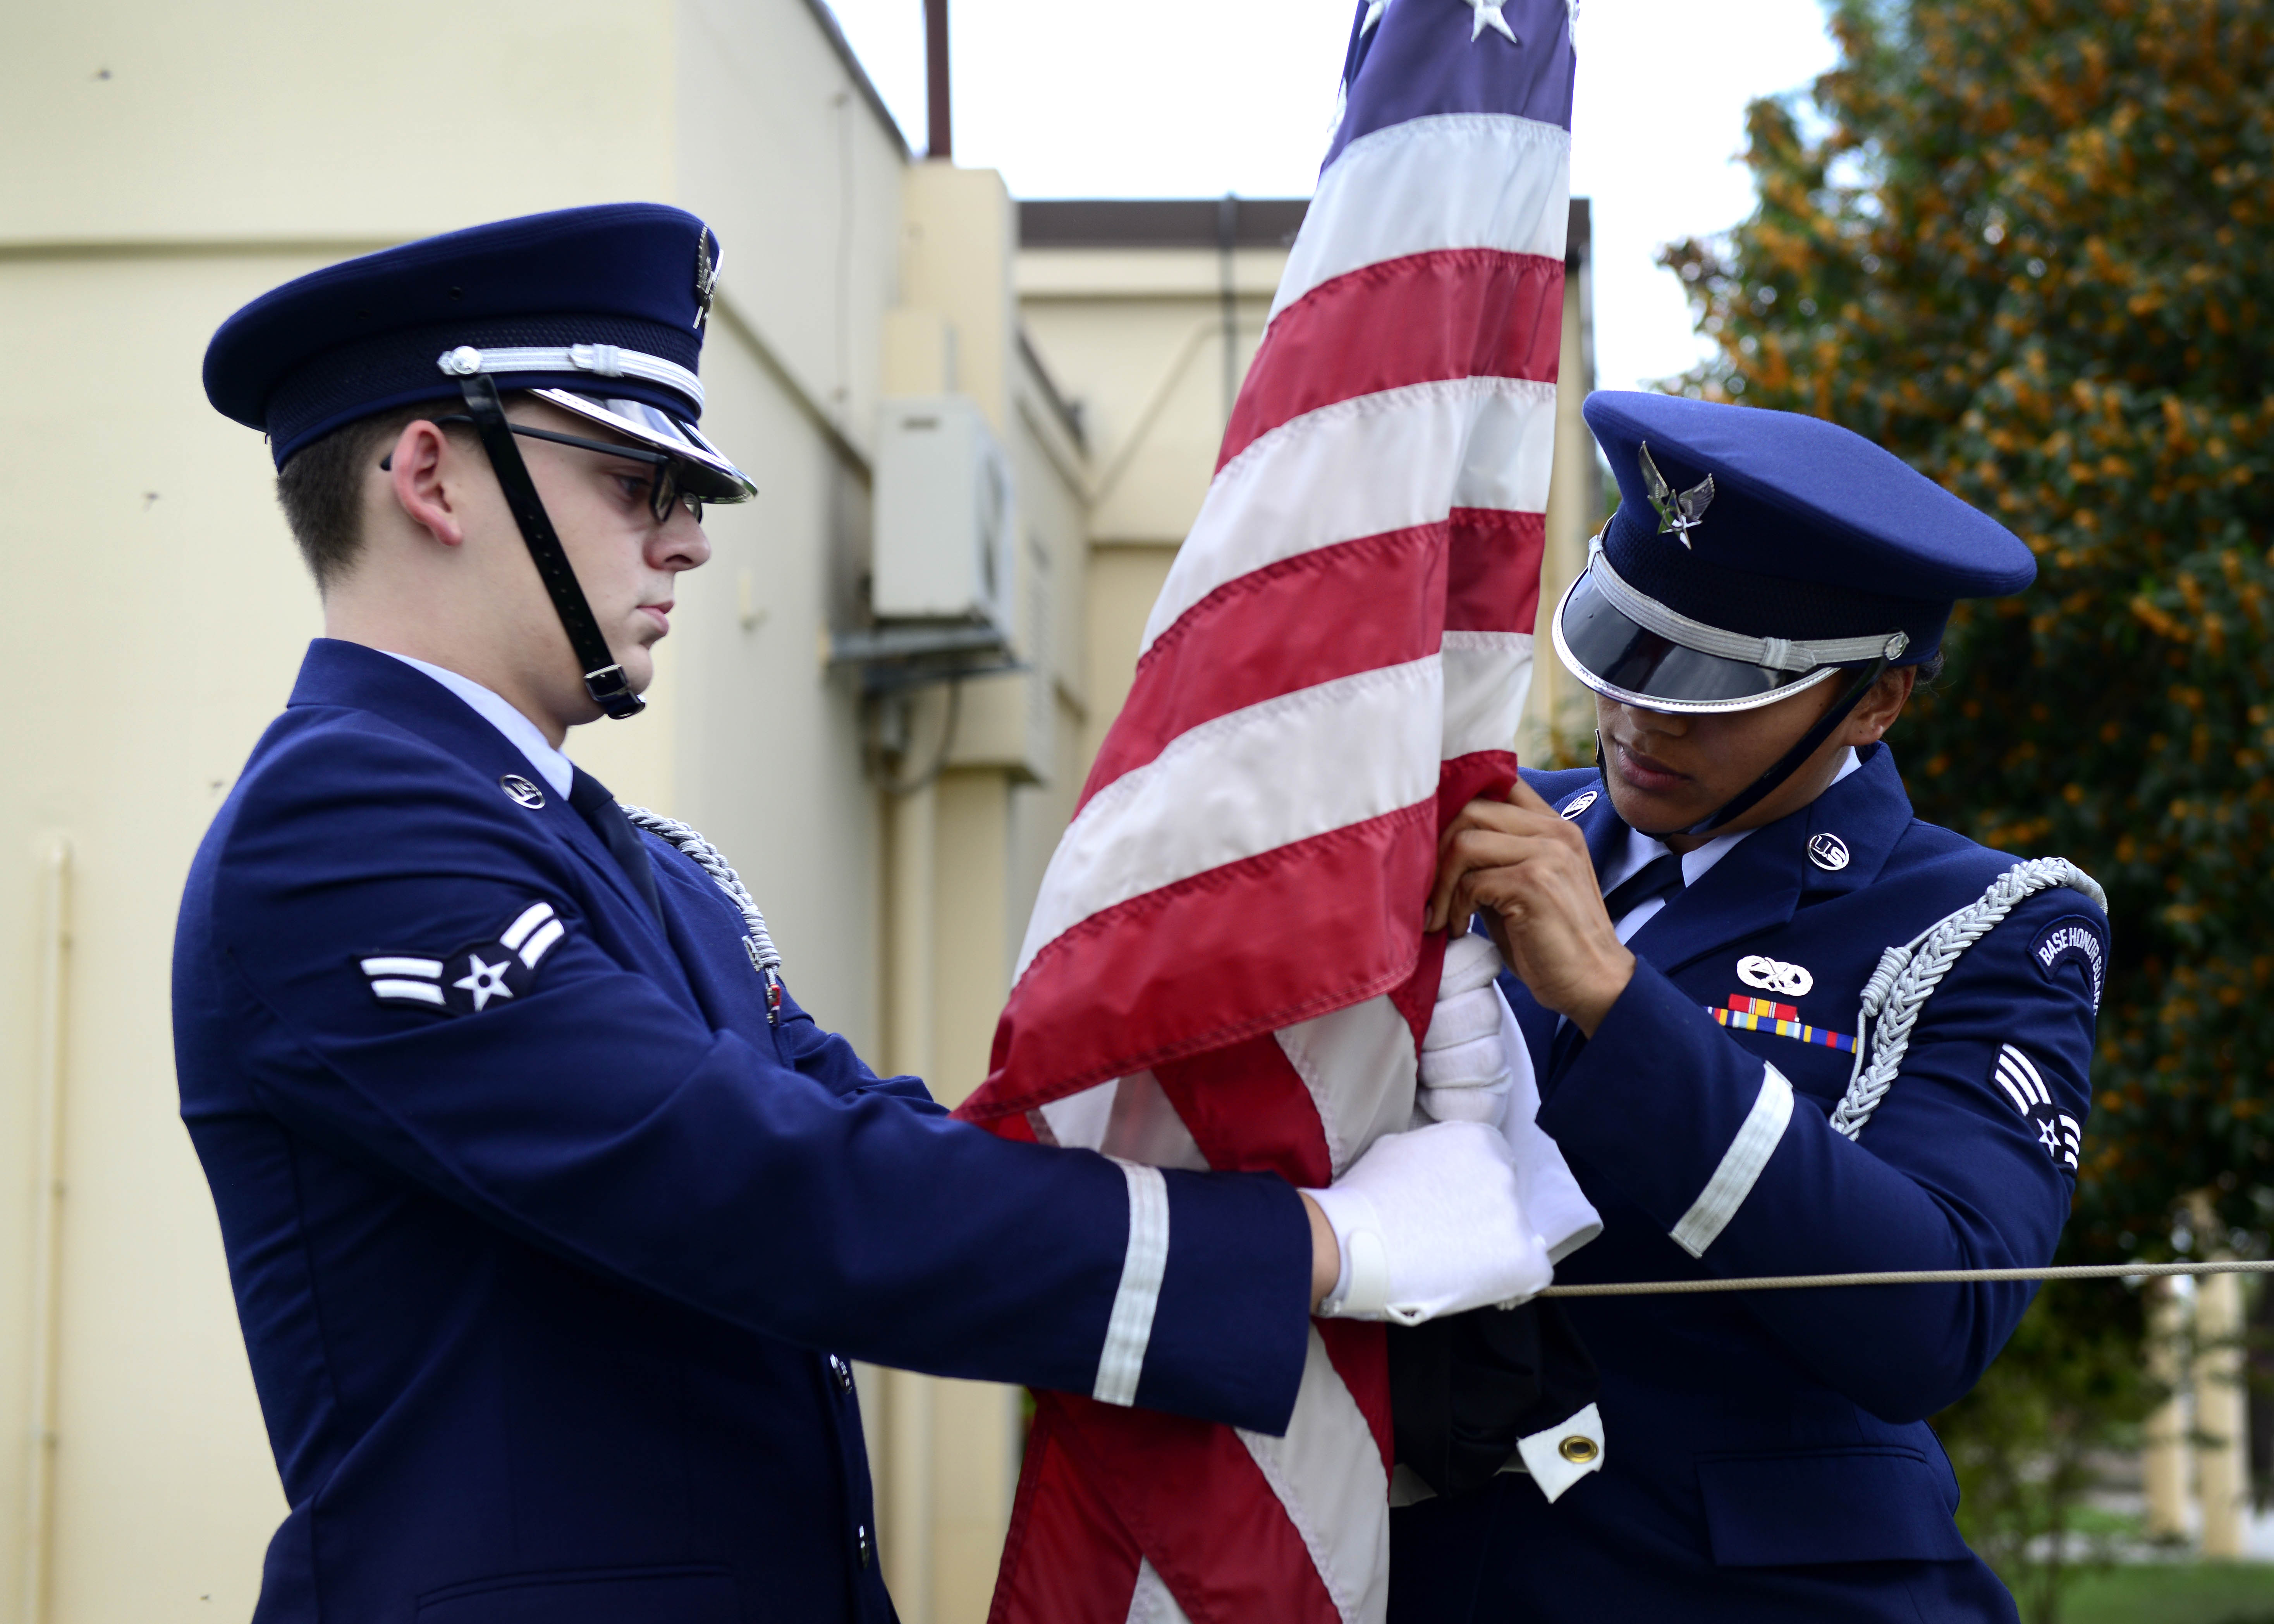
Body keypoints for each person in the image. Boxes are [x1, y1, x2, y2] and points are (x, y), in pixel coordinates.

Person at [174, 203, 1547, 1624]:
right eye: (644, 480)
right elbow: (760, 1183)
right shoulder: (337, 830)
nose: (689, 542)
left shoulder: (641, 861)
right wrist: (1325, 1244)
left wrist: (1338, 1095)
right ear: (431, 478)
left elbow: (890, 1151)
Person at [1389, 391, 2108, 1623]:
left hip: (1750, 1589)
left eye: (1714, 685)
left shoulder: (1995, 919)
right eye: (1625, 650)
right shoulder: (1493, 825)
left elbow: (1932, 1317)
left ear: (1876, 703)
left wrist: (1622, 1006)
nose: (1640, 716)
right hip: (1437, 1568)